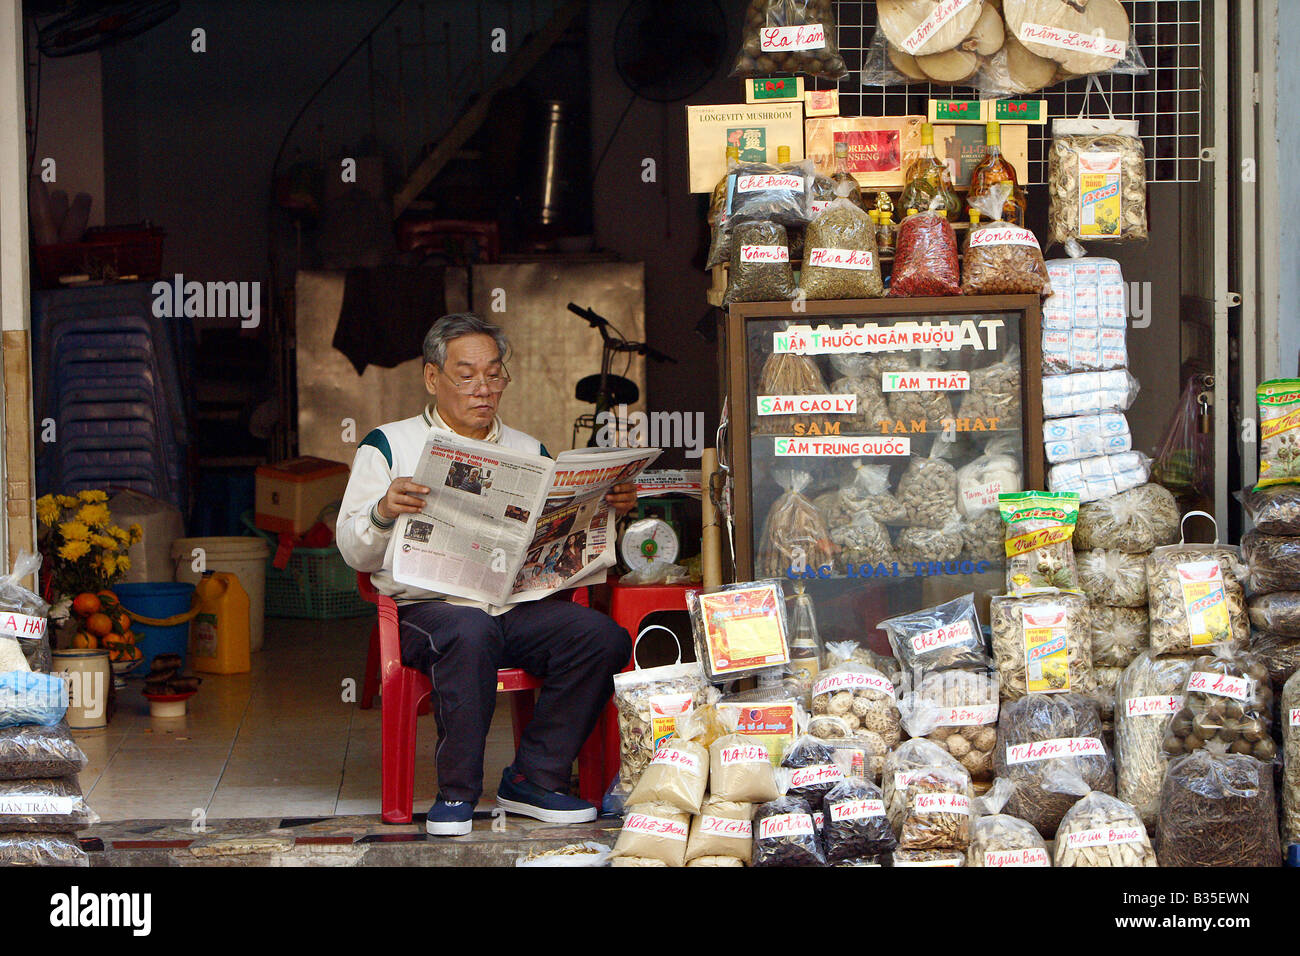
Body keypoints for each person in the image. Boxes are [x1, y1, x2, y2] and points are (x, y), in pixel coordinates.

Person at [336, 313, 637, 836]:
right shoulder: (388, 445)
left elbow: (560, 551)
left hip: (513, 607)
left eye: (494, 375)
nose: (483, 389)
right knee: (469, 631)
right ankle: (456, 794)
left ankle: (534, 776)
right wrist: (384, 511)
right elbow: (354, 553)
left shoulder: (529, 452)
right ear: (433, 378)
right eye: (467, 375)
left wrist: (609, 511)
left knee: (600, 637)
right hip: (426, 612)